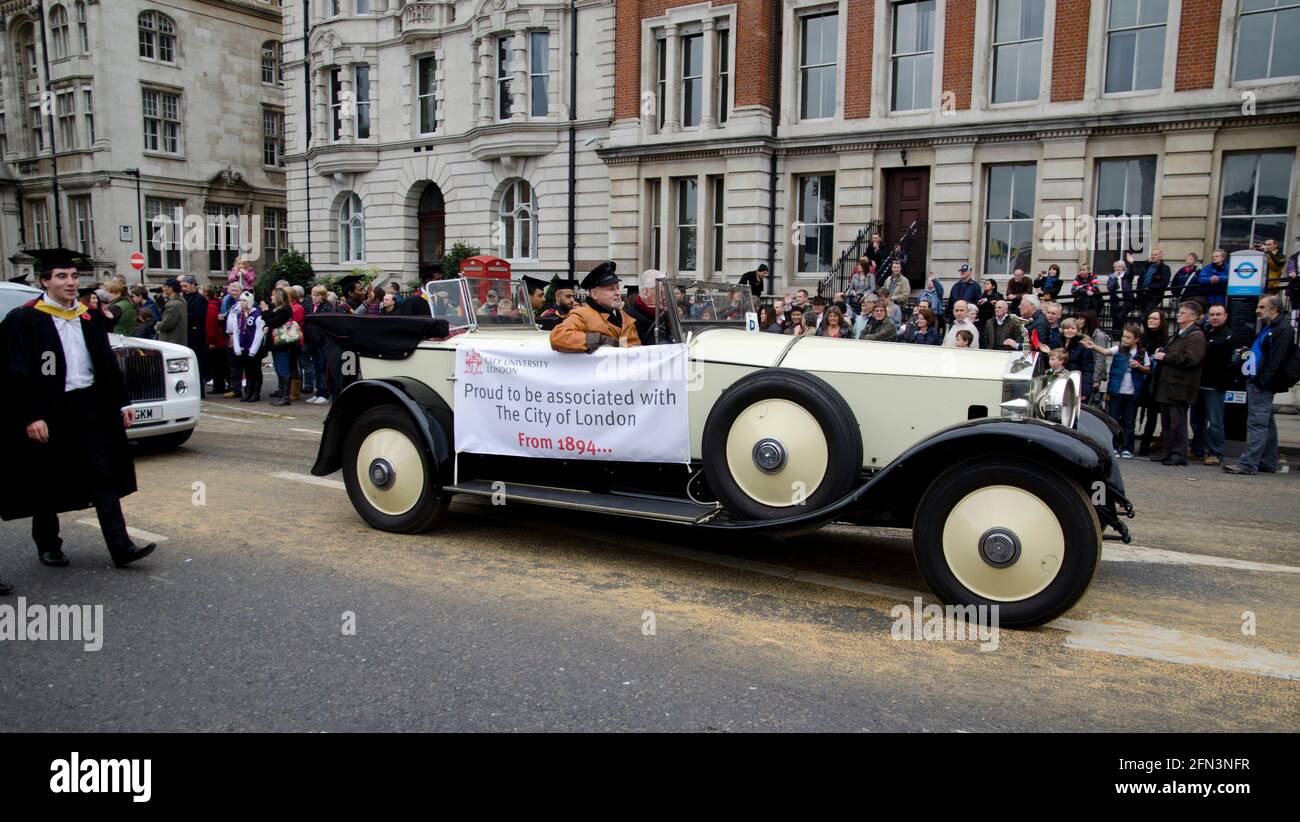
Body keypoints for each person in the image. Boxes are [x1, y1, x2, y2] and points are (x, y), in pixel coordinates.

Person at [0, 249, 157, 578]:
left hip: (89, 406)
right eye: (61, 276)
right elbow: (17, 372)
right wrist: (32, 415)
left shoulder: (87, 318)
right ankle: (48, 544)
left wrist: (122, 402)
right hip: (50, 408)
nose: (70, 283)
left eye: (73, 276)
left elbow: (106, 363)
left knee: (102, 473)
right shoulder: (26, 319)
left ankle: (121, 546)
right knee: (47, 476)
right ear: (45, 281)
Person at [1225, 295, 1294, 475]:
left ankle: (1248, 463)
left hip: (1261, 384)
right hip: (1257, 380)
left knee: (1257, 424)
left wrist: (1262, 382)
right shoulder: (1269, 327)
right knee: (1266, 423)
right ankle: (1267, 461)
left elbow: (1276, 359)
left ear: (1274, 309)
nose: (1257, 310)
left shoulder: (1283, 329)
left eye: (1262, 307)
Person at [1150, 302, 1206, 466]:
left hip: (1180, 386)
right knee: (1167, 422)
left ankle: (1179, 453)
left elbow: (1192, 359)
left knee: (1177, 422)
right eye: (1179, 312)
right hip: (1168, 384)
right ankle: (1168, 451)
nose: (1178, 315)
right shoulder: (1179, 333)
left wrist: (1166, 357)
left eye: (1183, 313)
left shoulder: (1196, 336)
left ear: (1193, 317)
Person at [1084, 323, 1149, 458]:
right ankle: (1113, 445)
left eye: (1129, 337)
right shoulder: (1118, 349)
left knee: (1129, 421)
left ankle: (1127, 447)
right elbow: (1106, 351)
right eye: (1124, 337)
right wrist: (1093, 346)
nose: (1125, 340)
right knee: (1113, 420)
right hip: (1116, 391)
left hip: (1132, 393)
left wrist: (1139, 366)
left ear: (1136, 339)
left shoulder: (1142, 353)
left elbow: (1148, 369)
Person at [550, 261, 641, 352]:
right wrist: (599, 339)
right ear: (594, 294)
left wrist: (620, 346)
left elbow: (634, 350)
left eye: (617, 288)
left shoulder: (626, 319)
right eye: (611, 289)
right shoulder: (582, 315)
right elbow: (558, 337)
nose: (617, 293)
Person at [1190, 303, 1233, 465]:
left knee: (1214, 422)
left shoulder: (1228, 335)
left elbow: (1205, 349)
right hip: (1198, 382)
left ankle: (1215, 452)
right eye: (1212, 314)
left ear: (1225, 316)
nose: (1214, 317)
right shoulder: (1205, 331)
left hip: (1215, 385)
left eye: (1218, 314)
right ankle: (1198, 450)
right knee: (1196, 421)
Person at [1135, 308, 1167, 455]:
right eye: (1150, 318)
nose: (1152, 321)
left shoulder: (1166, 339)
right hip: (1139, 378)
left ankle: (1145, 446)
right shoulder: (1141, 338)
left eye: (1155, 318)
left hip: (1155, 380)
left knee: (1152, 414)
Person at [260, 287, 299, 406]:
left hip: (283, 345)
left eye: (273, 295)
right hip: (277, 345)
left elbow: (273, 322)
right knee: (279, 369)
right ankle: (281, 394)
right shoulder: (278, 309)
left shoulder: (285, 310)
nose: (271, 297)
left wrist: (266, 311)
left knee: (283, 370)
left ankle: (285, 396)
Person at [228, 290, 266, 402]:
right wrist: (237, 348)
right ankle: (248, 391)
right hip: (243, 348)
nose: (241, 303)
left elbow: (259, 334)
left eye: (244, 300)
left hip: (253, 348)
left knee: (255, 371)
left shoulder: (257, 315)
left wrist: (253, 350)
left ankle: (255, 392)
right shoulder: (239, 315)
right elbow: (235, 331)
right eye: (240, 300)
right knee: (247, 371)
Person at [181, 276, 209, 397]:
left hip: (196, 335)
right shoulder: (185, 297)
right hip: (187, 333)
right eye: (182, 286)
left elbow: (198, 316)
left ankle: (200, 391)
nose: (184, 289)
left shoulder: (200, 299)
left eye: (186, 286)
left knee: (198, 363)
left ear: (193, 285)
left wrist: (182, 316)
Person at [1126, 248, 1169, 315]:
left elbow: (1164, 282)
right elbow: (1140, 279)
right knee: (1143, 315)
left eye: (1155, 255)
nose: (1153, 256)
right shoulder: (1147, 266)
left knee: (1146, 315)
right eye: (1152, 255)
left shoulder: (1165, 268)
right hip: (1142, 295)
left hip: (1153, 296)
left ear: (1160, 256)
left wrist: (1149, 287)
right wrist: (1138, 289)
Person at [204, 285, 228, 396]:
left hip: (216, 340)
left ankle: (219, 387)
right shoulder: (219, 305)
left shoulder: (210, 307)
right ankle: (222, 386)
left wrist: (211, 341)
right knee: (222, 364)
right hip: (221, 339)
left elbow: (211, 325)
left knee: (217, 365)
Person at [156, 278, 188, 345]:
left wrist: (157, 325)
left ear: (170, 288)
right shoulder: (178, 301)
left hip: (171, 341)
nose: (163, 289)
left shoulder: (174, 304)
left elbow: (167, 324)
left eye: (165, 286)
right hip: (175, 340)